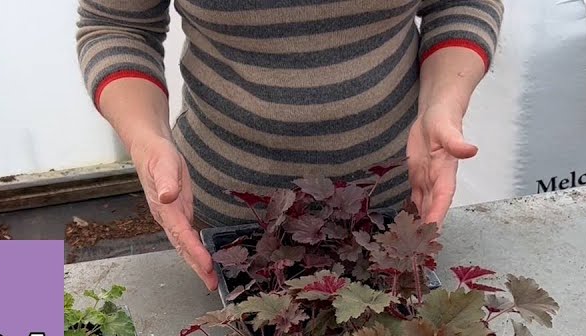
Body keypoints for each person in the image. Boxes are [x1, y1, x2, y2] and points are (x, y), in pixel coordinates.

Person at [77, 1, 503, 290]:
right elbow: (118, 26)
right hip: (228, 218)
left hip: (390, 210)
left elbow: (459, 4)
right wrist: (147, 138)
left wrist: (443, 105)